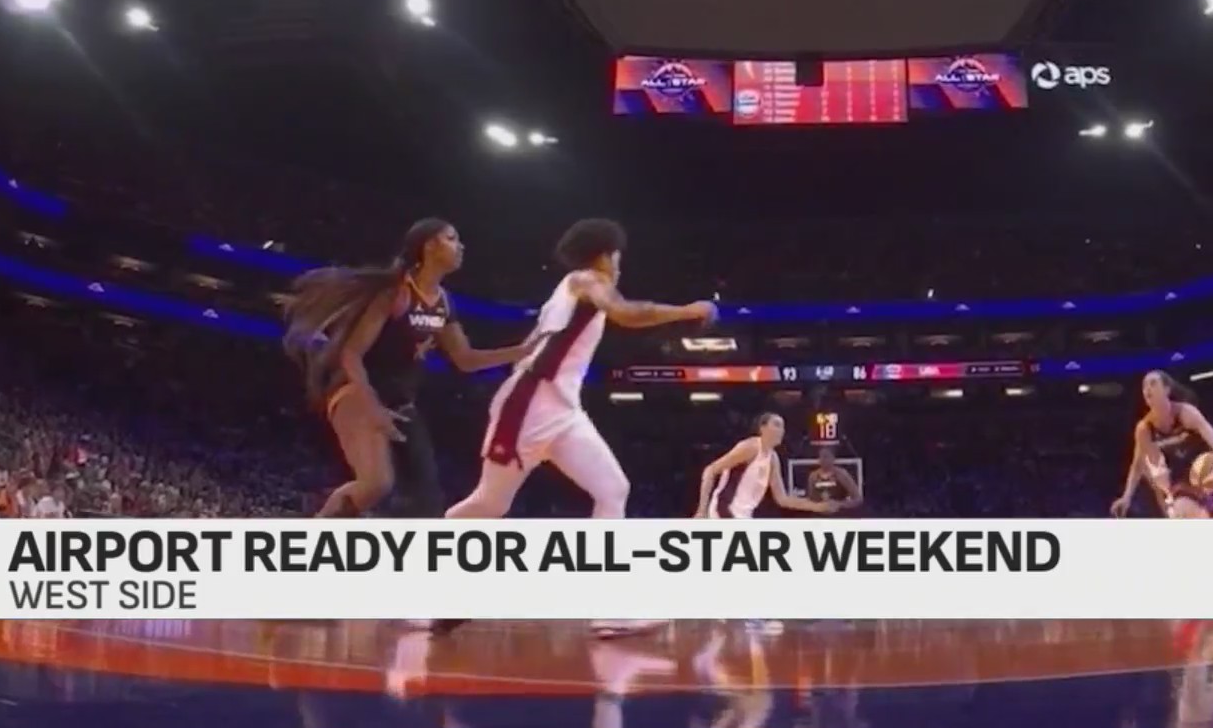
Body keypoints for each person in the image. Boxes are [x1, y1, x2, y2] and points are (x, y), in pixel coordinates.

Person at [435, 218, 717, 639]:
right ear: (605, 255)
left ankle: (607, 610)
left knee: (613, 490)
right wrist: (687, 310)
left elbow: (543, 342)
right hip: (530, 405)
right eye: (618, 257)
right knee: (488, 505)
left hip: (565, 410)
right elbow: (625, 313)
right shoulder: (585, 280)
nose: (620, 266)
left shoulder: (564, 295)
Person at [283, 219, 534, 520]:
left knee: (428, 492)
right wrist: (372, 407)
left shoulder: (443, 302)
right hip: (356, 392)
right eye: (452, 238)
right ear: (429, 246)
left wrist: (523, 351)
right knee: (376, 483)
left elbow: (465, 360)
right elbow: (350, 354)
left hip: (401, 402)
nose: (461, 246)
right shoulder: (396, 293)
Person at [1110, 370, 1213, 519]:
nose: (1148, 389)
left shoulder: (1187, 413)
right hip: (1183, 481)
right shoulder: (1144, 429)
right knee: (1182, 511)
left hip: (1211, 471)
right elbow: (1137, 465)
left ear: (1167, 389)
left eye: (1153, 384)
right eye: (1144, 386)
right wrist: (1127, 497)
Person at [697, 414, 842, 519]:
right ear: (762, 428)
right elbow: (710, 470)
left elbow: (782, 499)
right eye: (777, 425)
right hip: (723, 513)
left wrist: (817, 506)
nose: (782, 430)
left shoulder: (773, 458)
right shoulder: (750, 447)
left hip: (744, 516)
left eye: (783, 427)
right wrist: (701, 510)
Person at [805, 446, 861, 511]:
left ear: (833, 458)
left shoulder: (841, 474)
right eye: (821, 456)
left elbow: (858, 499)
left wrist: (840, 504)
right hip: (818, 515)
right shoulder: (813, 476)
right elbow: (810, 500)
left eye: (826, 456)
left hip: (838, 515)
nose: (823, 460)